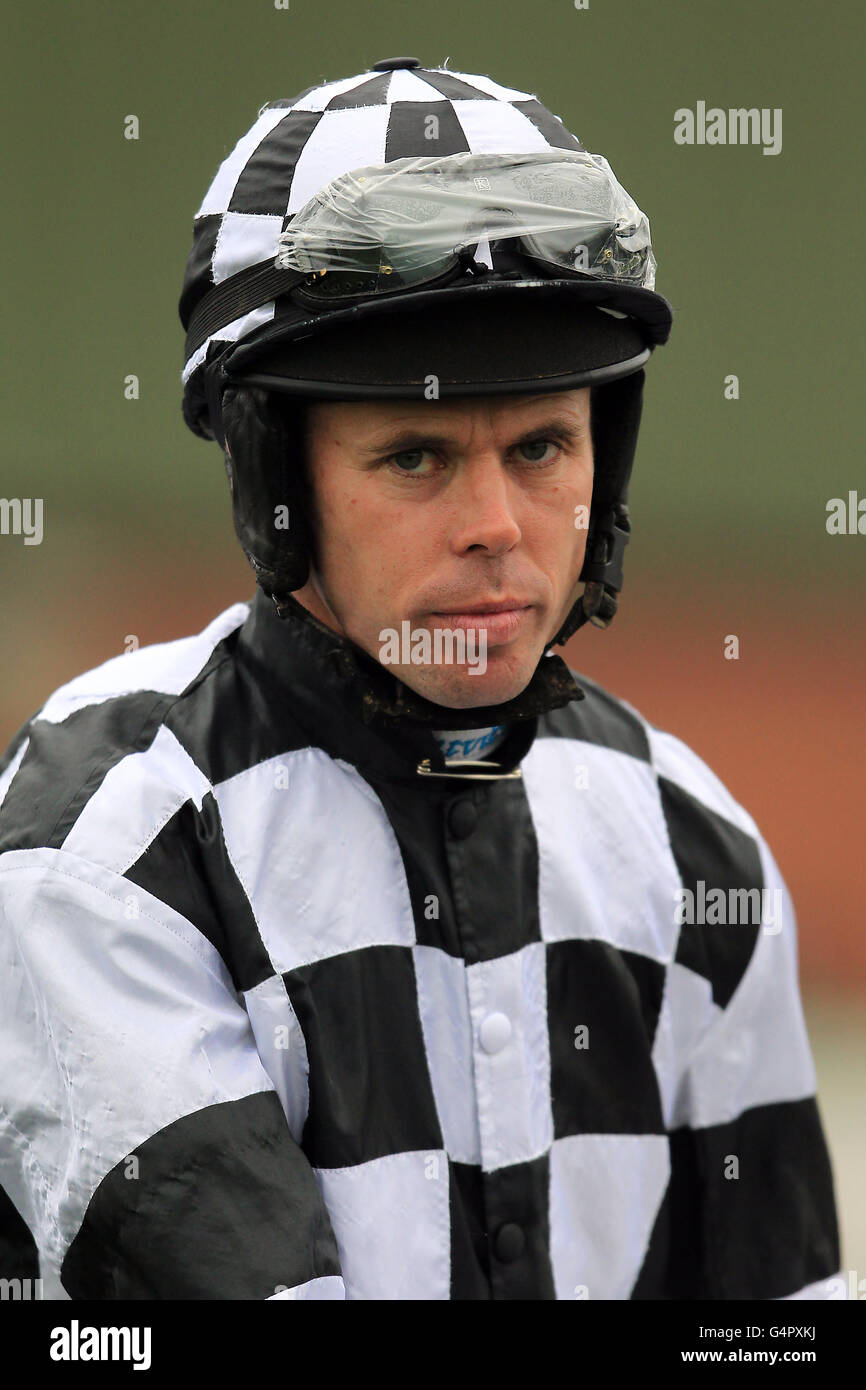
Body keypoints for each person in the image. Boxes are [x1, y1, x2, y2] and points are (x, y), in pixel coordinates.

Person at [0, 58, 841, 1300]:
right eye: (414, 457)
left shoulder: (692, 845)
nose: (497, 524)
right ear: (271, 480)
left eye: (543, 444)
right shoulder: (103, 844)